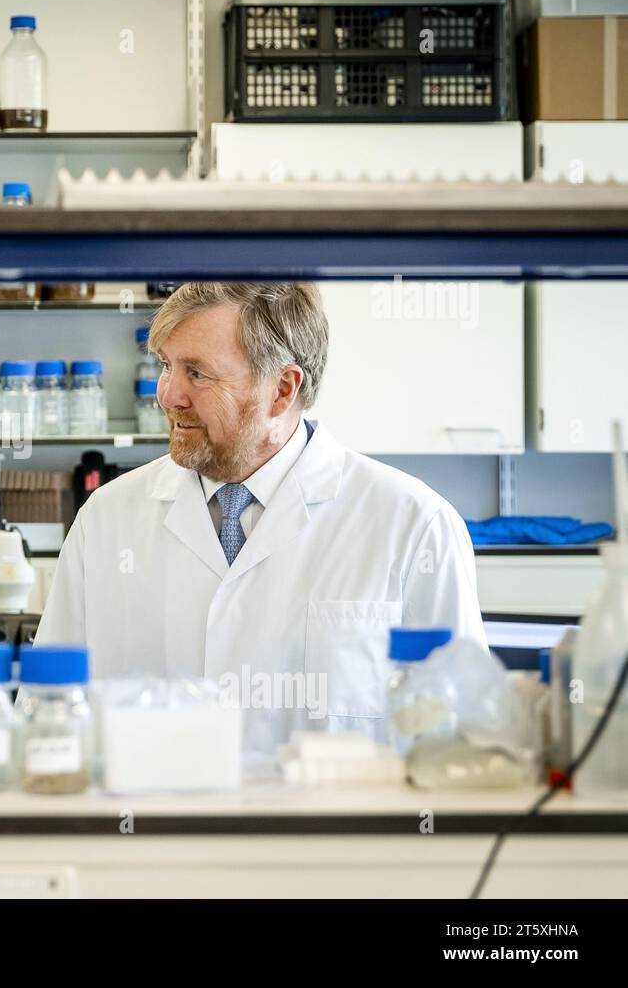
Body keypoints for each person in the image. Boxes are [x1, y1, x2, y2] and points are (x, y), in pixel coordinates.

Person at [37, 282, 487, 752]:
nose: (167, 395)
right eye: (166, 366)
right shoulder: (106, 520)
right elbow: (51, 714)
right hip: (148, 823)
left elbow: (463, 739)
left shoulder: (413, 526)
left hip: (331, 823)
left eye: (197, 373)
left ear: (282, 390)